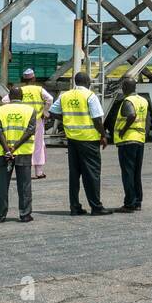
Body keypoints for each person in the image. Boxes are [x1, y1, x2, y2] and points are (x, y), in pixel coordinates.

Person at [52, 71, 108, 216]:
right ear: (88, 82)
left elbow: (52, 112)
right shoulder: (90, 96)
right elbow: (97, 119)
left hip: (72, 140)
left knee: (74, 174)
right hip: (89, 140)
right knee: (92, 174)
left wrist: (66, 118)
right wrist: (103, 134)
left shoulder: (65, 95)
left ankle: (75, 206)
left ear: (76, 82)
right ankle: (96, 206)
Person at [0, 85, 37, 223]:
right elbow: (30, 131)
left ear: (10, 97)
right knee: (24, 185)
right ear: (22, 97)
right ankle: (25, 214)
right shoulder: (30, 111)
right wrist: (15, 148)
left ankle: (0, 215)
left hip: (4, 154)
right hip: (23, 152)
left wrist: (7, 149)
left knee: (2, 185)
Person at [5, 69, 53, 179]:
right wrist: (44, 112)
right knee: (38, 145)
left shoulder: (19, 90)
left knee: (21, 144)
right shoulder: (39, 89)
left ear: (23, 79)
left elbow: (5, 100)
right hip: (37, 121)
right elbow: (50, 99)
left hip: (23, 121)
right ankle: (39, 172)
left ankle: (21, 169)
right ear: (34, 78)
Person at [111, 76, 149, 213]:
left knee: (127, 173)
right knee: (136, 173)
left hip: (127, 140)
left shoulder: (128, 101)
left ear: (125, 88)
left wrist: (123, 129)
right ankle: (138, 201)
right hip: (140, 140)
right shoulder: (143, 101)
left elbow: (131, 116)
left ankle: (129, 203)